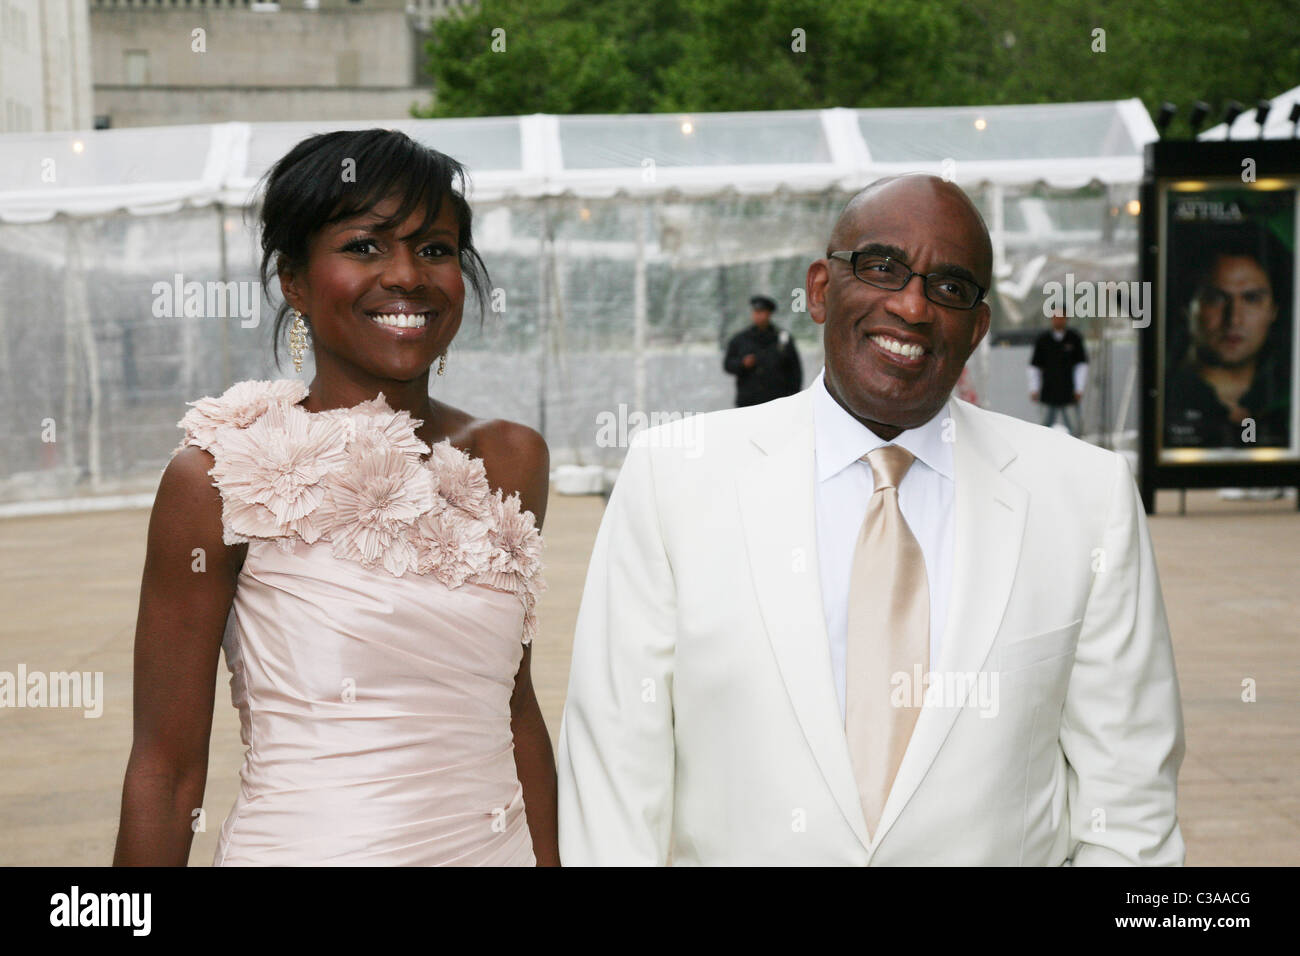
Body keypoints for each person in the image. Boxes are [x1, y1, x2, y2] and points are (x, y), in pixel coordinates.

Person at [557, 174, 1184, 866]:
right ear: (822, 289)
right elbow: (614, 770)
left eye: (948, 287)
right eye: (882, 267)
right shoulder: (672, 477)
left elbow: (1127, 804)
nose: (912, 305)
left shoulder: (1087, 498)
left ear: (977, 327)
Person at [113, 129, 558, 866]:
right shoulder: (218, 474)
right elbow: (166, 768)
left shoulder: (512, 457)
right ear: (293, 279)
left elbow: (513, 708)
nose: (408, 276)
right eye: (364, 247)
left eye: (436, 249)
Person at [1164, 232, 1291, 449]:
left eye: (1251, 299)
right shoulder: (1165, 398)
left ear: (1274, 311)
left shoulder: (1284, 399)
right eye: (1215, 298)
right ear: (1188, 307)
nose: (1234, 319)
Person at [723, 294, 803, 406]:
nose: (758, 316)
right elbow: (728, 364)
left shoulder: (783, 339)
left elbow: (794, 371)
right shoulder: (741, 339)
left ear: (769, 314)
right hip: (748, 401)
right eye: (756, 312)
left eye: (762, 312)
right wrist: (742, 364)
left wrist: (792, 397)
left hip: (776, 400)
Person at [1029, 310, 1088, 436]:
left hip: (1068, 392)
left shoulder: (1074, 338)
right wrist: (1034, 388)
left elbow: (1081, 366)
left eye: (1062, 317)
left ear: (1066, 319)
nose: (1058, 320)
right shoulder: (1043, 340)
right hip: (1048, 391)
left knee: (1075, 428)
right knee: (1043, 428)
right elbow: (1034, 367)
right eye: (1056, 317)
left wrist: (1079, 388)